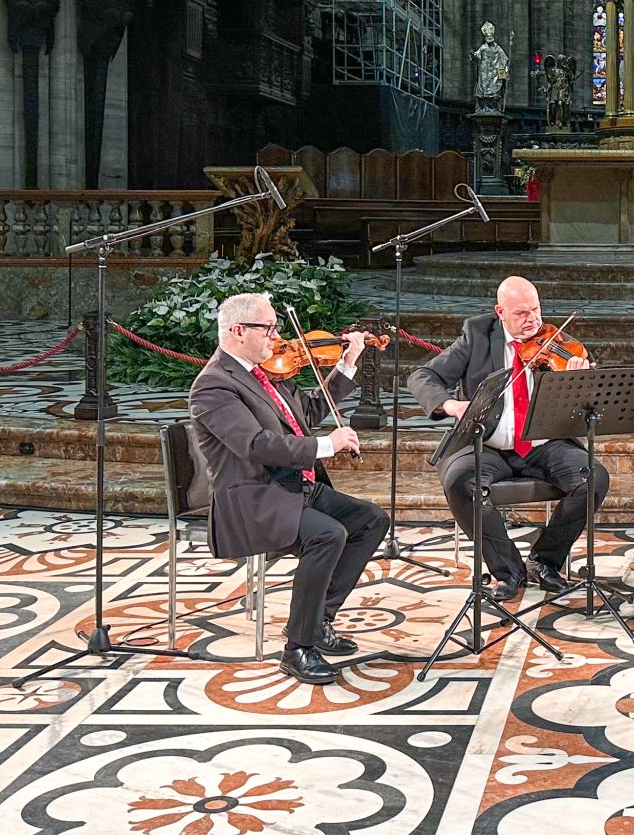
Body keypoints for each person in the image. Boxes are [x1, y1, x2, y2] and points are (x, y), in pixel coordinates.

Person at [188, 292, 390, 686]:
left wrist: (347, 364)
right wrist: (328, 445)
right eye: (269, 328)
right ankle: (297, 649)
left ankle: (318, 622)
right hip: (252, 500)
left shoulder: (265, 373)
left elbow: (308, 413)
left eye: (277, 327)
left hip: (291, 487)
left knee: (371, 520)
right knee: (327, 534)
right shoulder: (213, 386)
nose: (277, 337)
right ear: (237, 331)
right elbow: (257, 445)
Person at [409, 276, 611, 600]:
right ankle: (509, 569)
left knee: (593, 478)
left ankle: (544, 561)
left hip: (542, 445)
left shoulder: (556, 343)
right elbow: (423, 376)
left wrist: (577, 380)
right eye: (521, 314)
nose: (533, 320)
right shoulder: (476, 335)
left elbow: (584, 404)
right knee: (460, 483)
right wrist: (450, 404)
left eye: (536, 310)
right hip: (488, 444)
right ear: (500, 312)